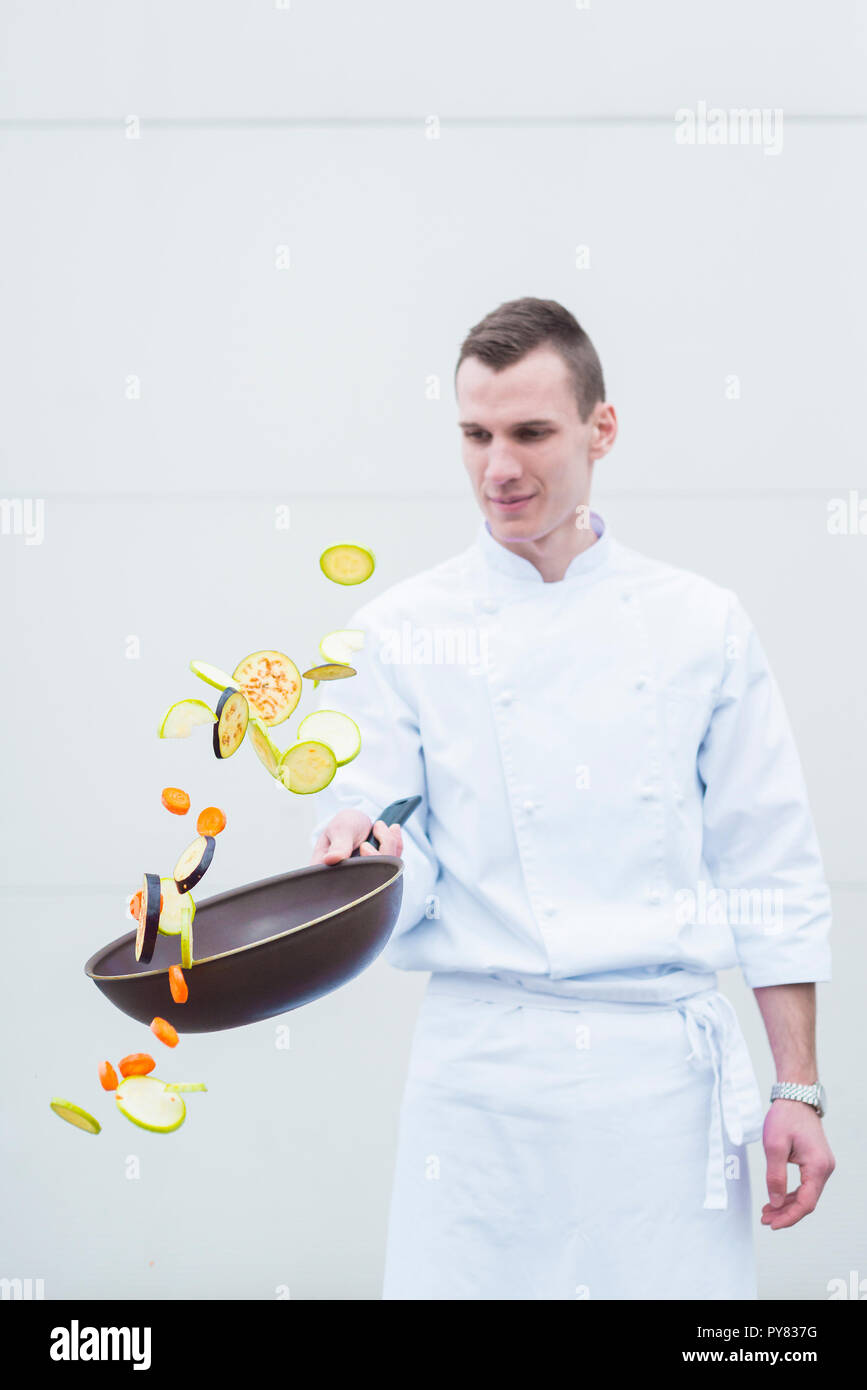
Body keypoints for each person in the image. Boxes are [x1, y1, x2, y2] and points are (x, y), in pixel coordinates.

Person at [308, 297, 835, 1300]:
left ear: (602, 429)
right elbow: (400, 871)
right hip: (483, 1088)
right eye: (475, 434)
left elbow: (770, 865)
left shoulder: (700, 623)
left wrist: (798, 1088)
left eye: (529, 433)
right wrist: (368, 858)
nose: (498, 468)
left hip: (659, 1090)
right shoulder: (401, 632)